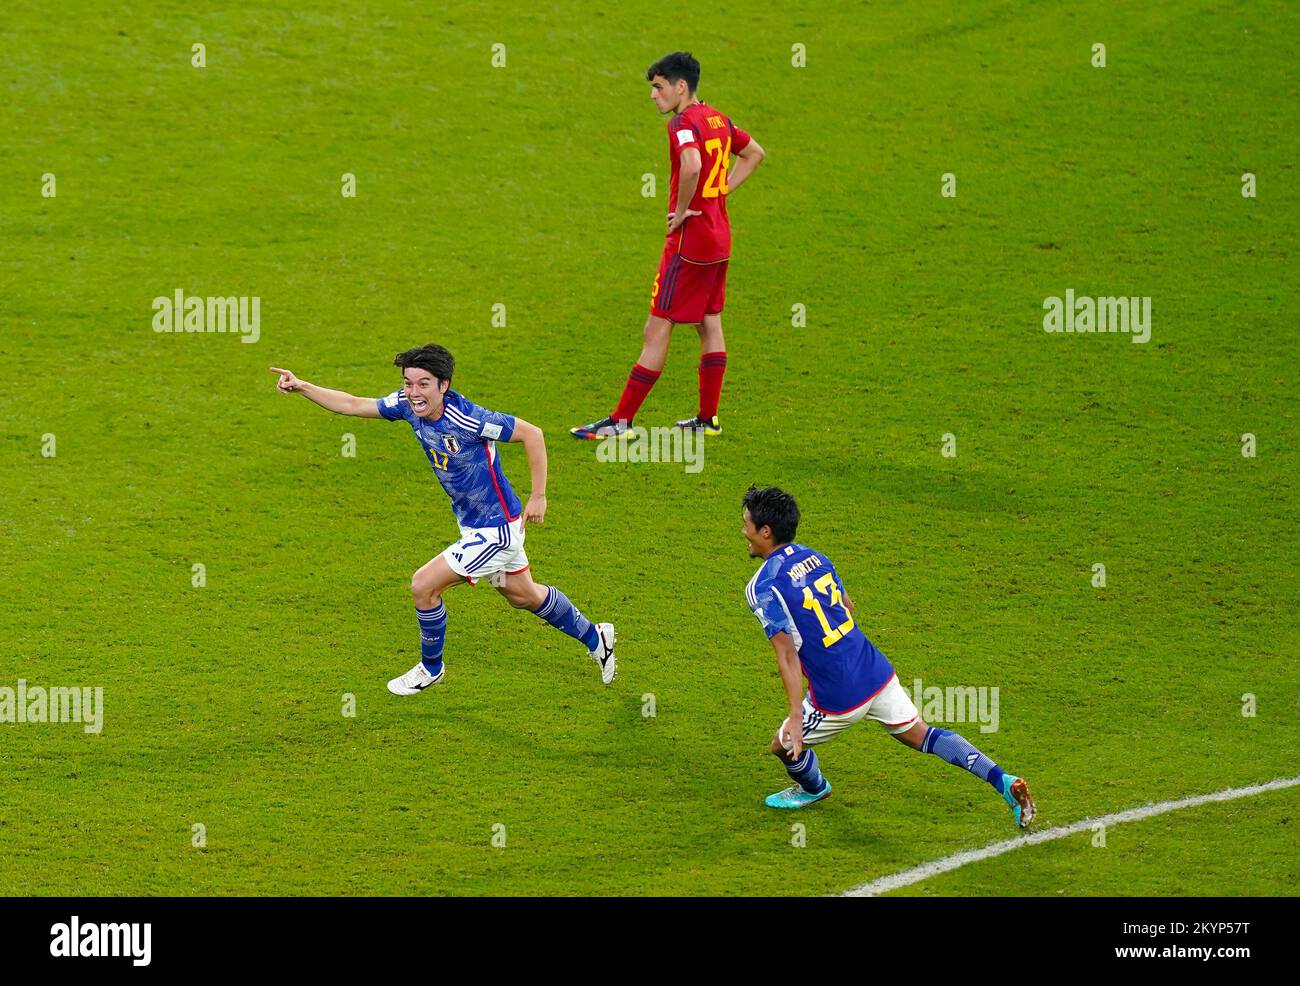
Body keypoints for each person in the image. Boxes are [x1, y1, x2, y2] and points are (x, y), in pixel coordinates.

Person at [269, 344, 617, 694]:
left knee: (423, 585)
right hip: (478, 524)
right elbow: (355, 404)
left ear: (443, 386)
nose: (413, 393)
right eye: (408, 383)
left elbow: (532, 434)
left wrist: (538, 495)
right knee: (523, 596)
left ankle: (431, 668)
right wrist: (302, 387)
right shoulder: (408, 407)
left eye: (423, 384)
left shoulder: (469, 419)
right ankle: (596, 635)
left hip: (495, 530)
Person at [742, 486, 1036, 827]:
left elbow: (787, 656)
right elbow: (847, 606)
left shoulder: (762, 586)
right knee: (922, 734)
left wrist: (796, 715)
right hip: (873, 669)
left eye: (747, 524)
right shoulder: (816, 557)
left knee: (782, 746)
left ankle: (815, 788)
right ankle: (1002, 780)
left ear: (766, 531)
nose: (743, 531)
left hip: (837, 696)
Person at [572, 51, 765, 441]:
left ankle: (620, 421)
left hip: (690, 243)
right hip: (720, 237)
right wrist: (721, 191)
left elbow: (691, 165)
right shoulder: (718, 118)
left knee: (656, 327)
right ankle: (707, 419)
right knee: (709, 322)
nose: (653, 96)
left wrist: (682, 211)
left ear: (681, 87)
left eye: (659, 87)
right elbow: (754, 153)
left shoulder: (683, 123)